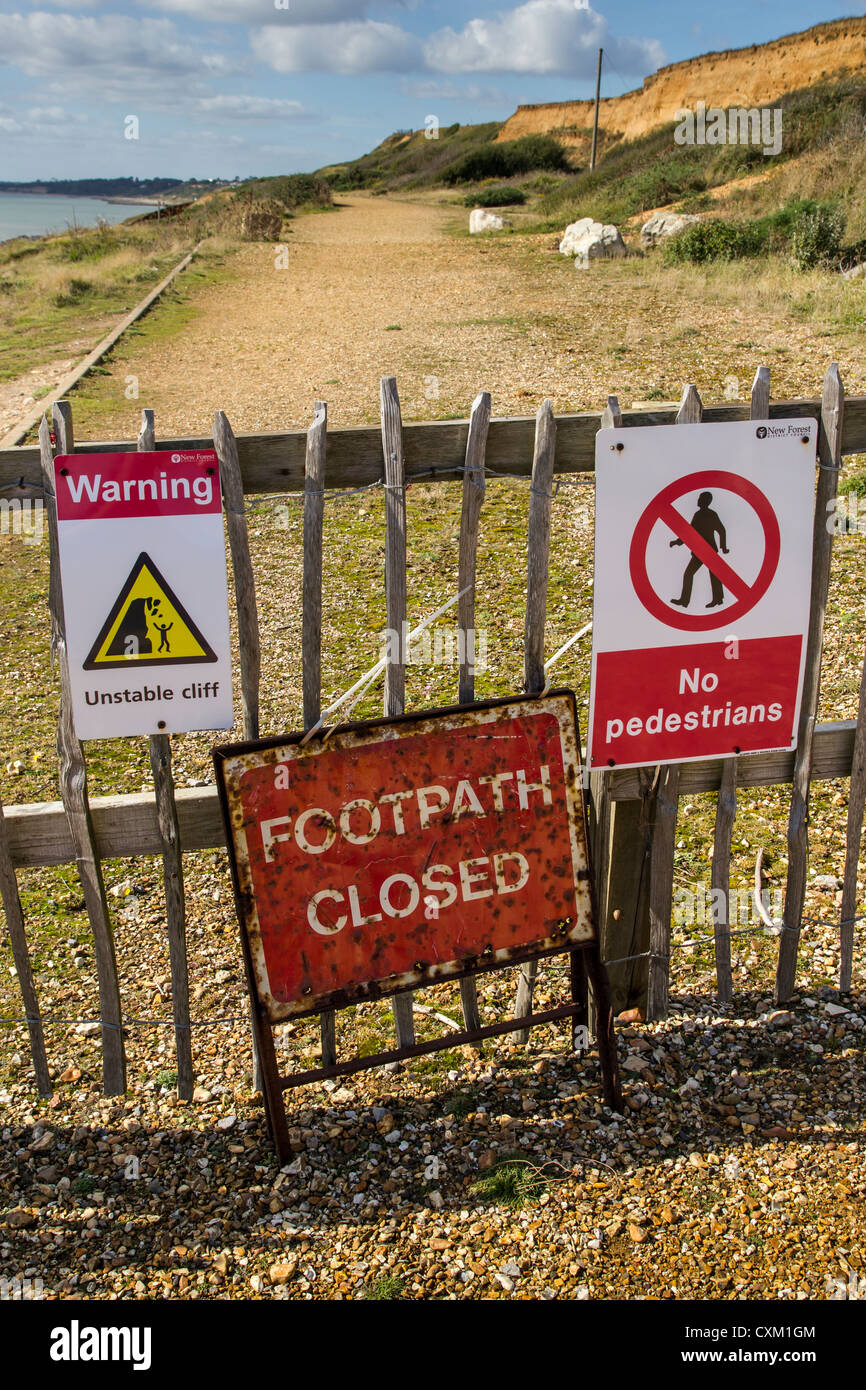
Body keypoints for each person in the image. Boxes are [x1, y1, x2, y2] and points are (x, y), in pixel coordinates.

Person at [670, 491, 729, 608]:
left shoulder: (709, 514)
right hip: (701, 551)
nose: (697, 500)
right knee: (691, 574)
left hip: (707, 550)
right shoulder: (700, 514)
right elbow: (689, 532)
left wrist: (723, 547)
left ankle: (716, 599)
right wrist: (678, 542)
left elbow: (721, 530)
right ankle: (685, 600)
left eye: (700, 498)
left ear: (704, 501)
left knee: (712, 575)